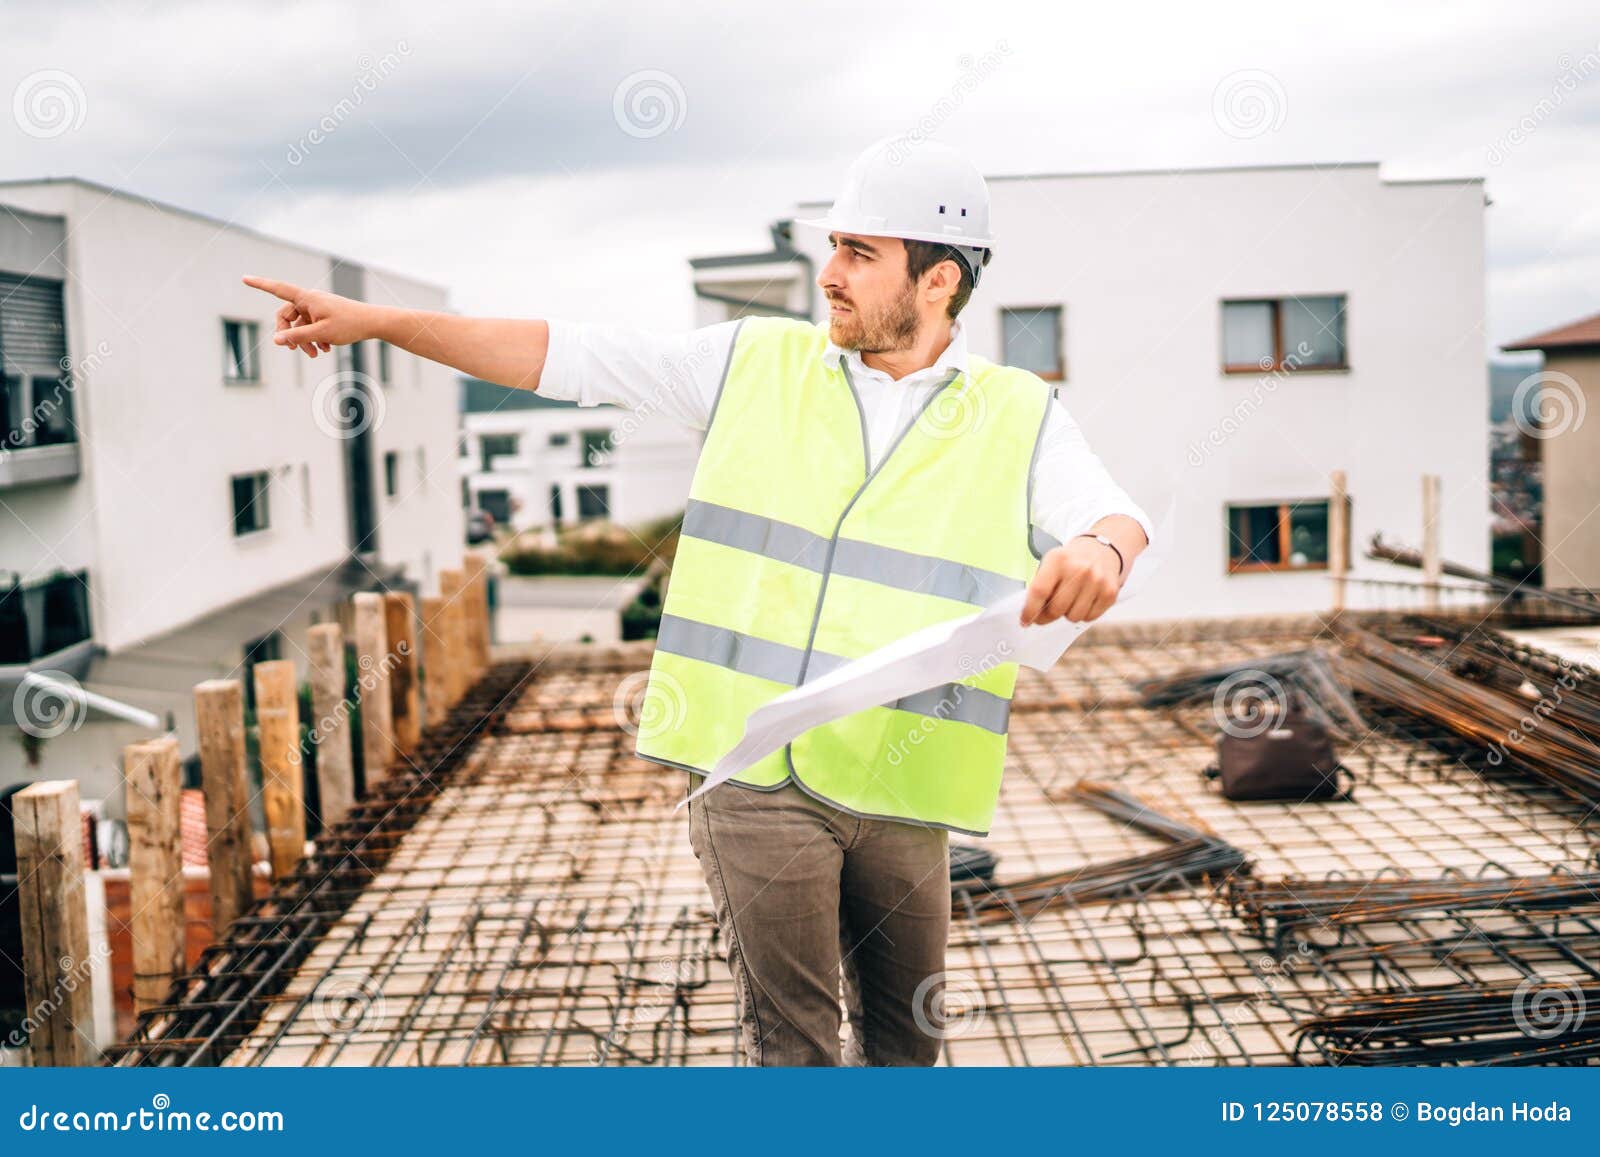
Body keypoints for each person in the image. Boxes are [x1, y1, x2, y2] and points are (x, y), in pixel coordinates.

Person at [244, 136, 1152, 1067]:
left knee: (907, 1043)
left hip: (901, 777)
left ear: (939, 281)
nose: (829, 273)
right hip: (754, 769)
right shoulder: (753, 362)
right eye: (832, 246)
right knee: (793, 1045)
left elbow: (1113, 516)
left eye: (860, 253)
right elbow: (564, 355)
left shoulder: (1017, 411)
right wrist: (381, 322)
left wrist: (1099, 546)